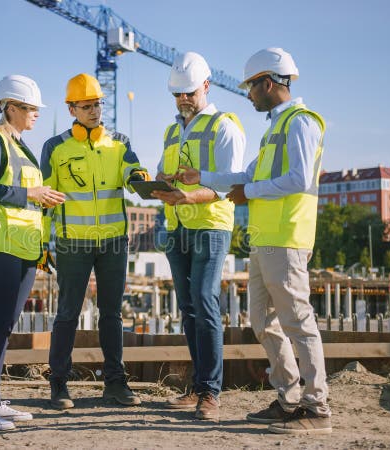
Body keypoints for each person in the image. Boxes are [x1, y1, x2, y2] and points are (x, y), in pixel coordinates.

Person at [173, 48, 332, 434]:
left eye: (251, 87)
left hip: (287, 237)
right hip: (265, 239)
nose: (247, 95)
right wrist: (202, 177)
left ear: (268, 83)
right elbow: (246, 175)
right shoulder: (275, 127)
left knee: (298, 322)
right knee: (262, 320)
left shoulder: (300, 122)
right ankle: (288, 398)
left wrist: (250, 192)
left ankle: (316, 407)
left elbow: (299, 179)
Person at [41, 73, 149, 409]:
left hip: (114, 242)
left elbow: (133, 172)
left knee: (112, 314)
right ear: (71, 109)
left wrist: (140, 178)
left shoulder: (120, 143)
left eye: (97, 104)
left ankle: (115, 383)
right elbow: (44, 200)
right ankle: (59, 384)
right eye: (86, 106)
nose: (94, 111)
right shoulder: (55, 148)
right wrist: (41, 244)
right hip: (73, 243)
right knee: (68, 314)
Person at [0, 75, 65, 431]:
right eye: (30, 107)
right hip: (4, 246)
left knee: (5, 326)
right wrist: (31, 195)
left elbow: (24, 196)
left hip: (25, 248)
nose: (36, 113)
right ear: (10, 107)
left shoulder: (21, 147)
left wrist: (42, 199)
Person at [151, 52, 245, 422]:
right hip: (177, 227)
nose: (183, 99)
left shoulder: (225, 126)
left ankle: (210, 393)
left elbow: (230, 184)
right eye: (177, 94)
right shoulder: (172, 131)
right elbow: (164, 171)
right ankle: (197, 386)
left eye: (189, 92)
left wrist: (188, 196)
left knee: (205, 301)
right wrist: (158, 182)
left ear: (206, 85)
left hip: (210, 226)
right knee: (188, 308)